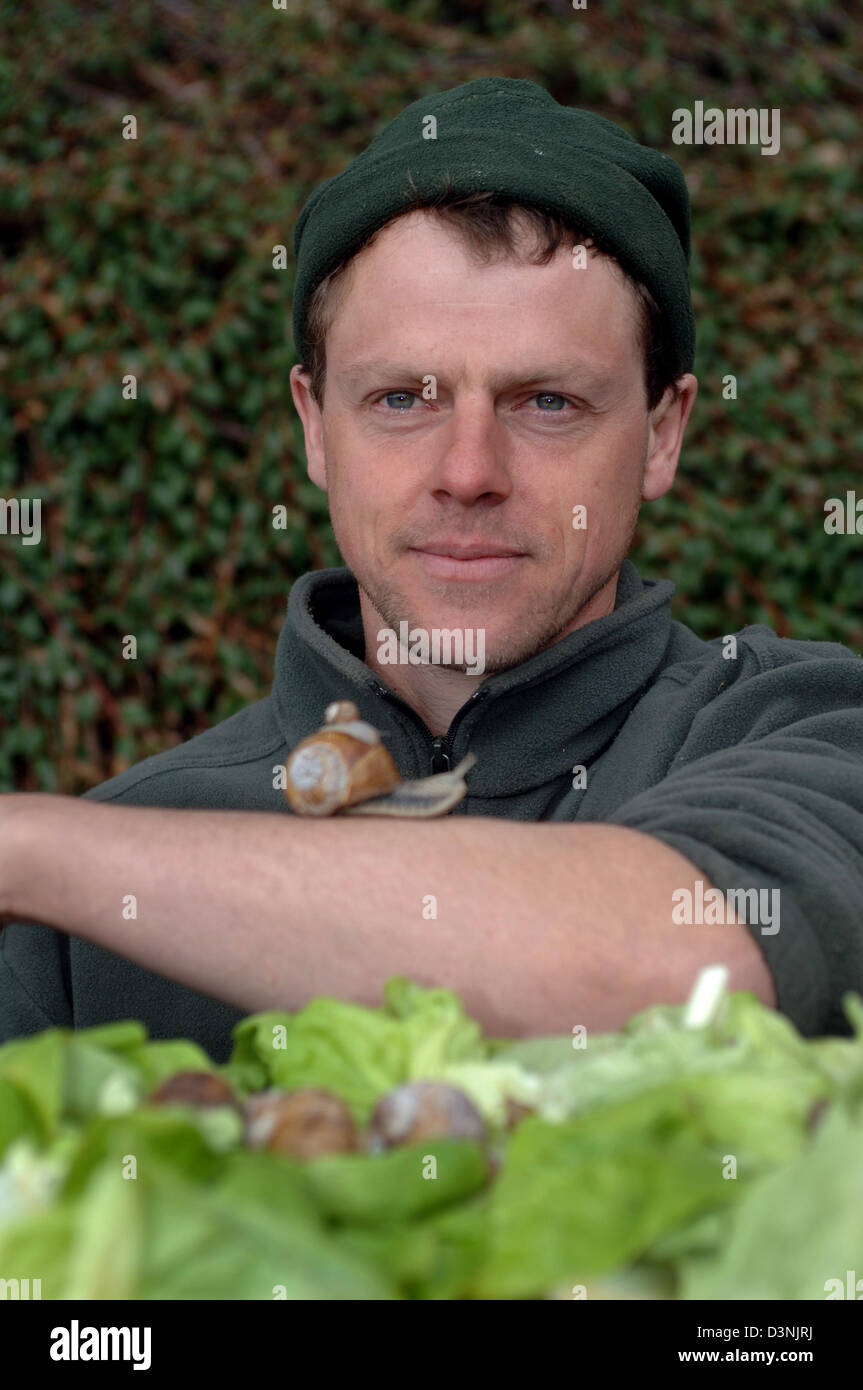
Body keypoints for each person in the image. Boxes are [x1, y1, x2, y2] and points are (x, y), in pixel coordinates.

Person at [2, 77, 861, 1062]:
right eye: (401, 399)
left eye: (545, 402)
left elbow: (679, 970)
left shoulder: (813, 738)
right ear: (313, 425)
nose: (466, 472)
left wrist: (29, 850)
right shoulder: (96, 885)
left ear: (661, 434)